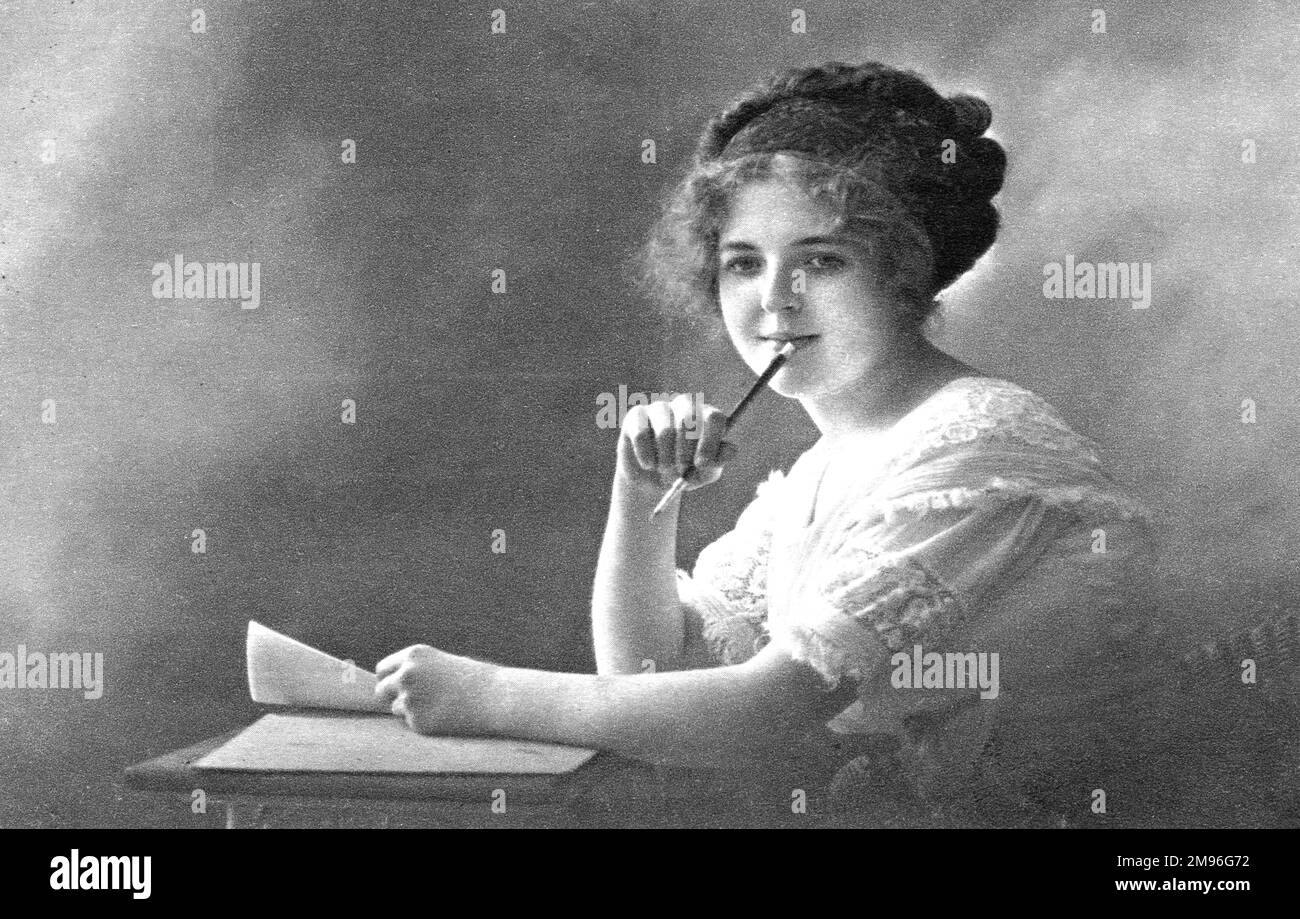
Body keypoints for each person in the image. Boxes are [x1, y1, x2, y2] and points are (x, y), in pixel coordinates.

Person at [375, 61, 1297, 827]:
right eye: (744, 261)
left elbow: (764, 713)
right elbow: (648, 679)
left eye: (821, 260)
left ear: (902, 271)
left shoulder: (977, 447)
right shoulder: (821, 471)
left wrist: (487, 692)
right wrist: (641, 493)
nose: (774, 300)